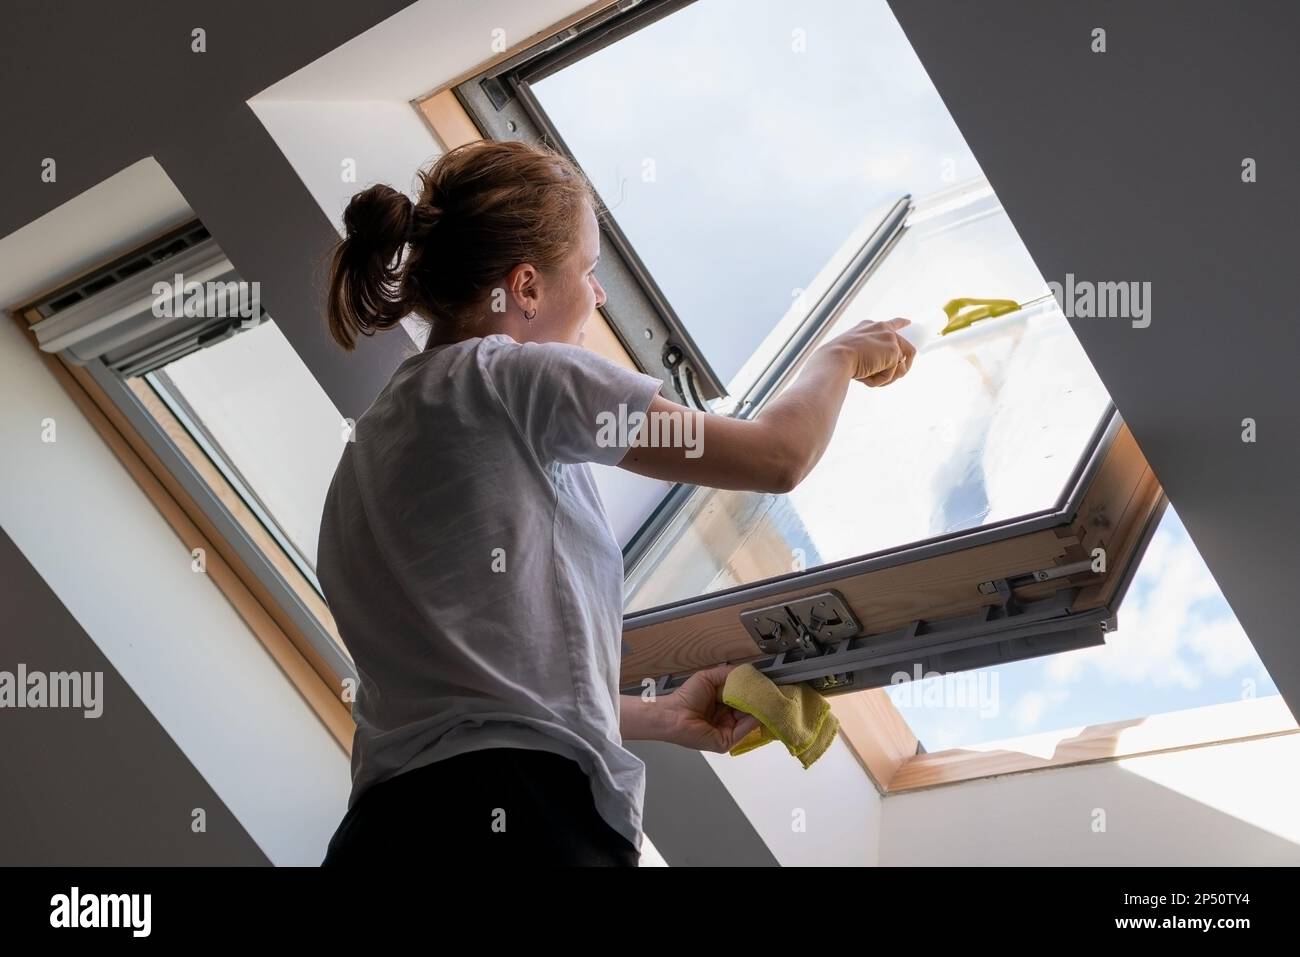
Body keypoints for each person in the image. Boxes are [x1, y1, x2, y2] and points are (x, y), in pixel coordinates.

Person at [315, 139, 915, 867]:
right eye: (589, 271)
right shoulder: (518, 378)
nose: (598, 296)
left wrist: (658, 714)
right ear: (526, 288)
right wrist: (840, 355)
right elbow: (777, 456)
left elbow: (479, 694)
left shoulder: (365, 452)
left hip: (384, 834)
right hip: (516, 821)